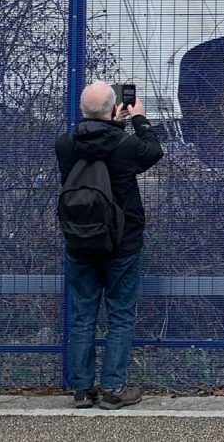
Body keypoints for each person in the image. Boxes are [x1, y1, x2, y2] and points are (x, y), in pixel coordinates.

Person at [56, 81, 164, 410]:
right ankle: (113, 389)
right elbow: (153, 151)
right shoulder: (126, 145)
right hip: (122, 242)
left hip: (80, 241)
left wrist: (112, 123)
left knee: (83, 316)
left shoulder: (64, 145)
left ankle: (81, 390)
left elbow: (94, 146)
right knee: (120, 316)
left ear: (82, 110)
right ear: (114, 107)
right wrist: (139, 120)